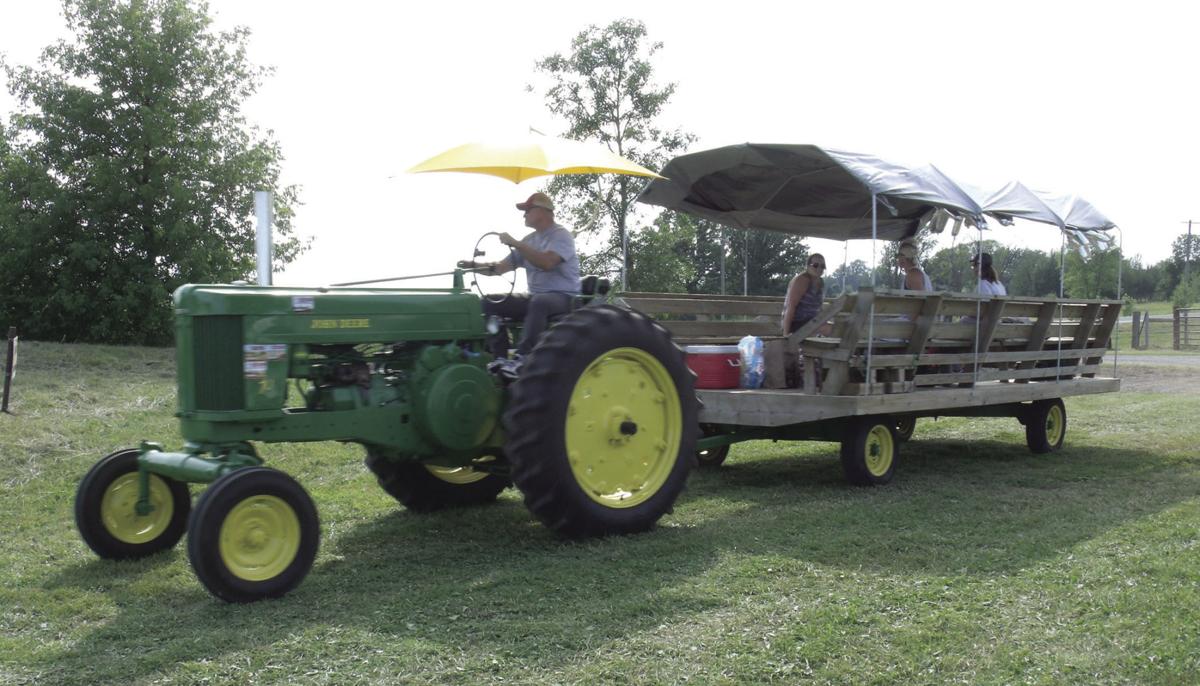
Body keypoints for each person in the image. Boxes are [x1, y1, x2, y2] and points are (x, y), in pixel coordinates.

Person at [458, 192, 580, 371]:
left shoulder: (561, 236)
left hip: (564, 297)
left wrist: (517, 244)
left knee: (539, 302)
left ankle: (523, 357)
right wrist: (472, 265)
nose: (524, 214)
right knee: (489, 302)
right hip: (536, 297)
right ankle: (500, 358)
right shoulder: (529, 240)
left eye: (527, 210)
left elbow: (547, 262)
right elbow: (500, 268)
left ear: (543, 211)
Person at [782, 253, 827, 334]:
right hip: (796, 324)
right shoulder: (802, 280)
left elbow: (819, 308)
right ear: (808, 266)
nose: (819, 268)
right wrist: (786, 336)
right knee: (831, 330)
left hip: (812, 323)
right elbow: (790, 307)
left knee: (837, 327)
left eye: (822, 266)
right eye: (816, 265)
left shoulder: (821, 282)